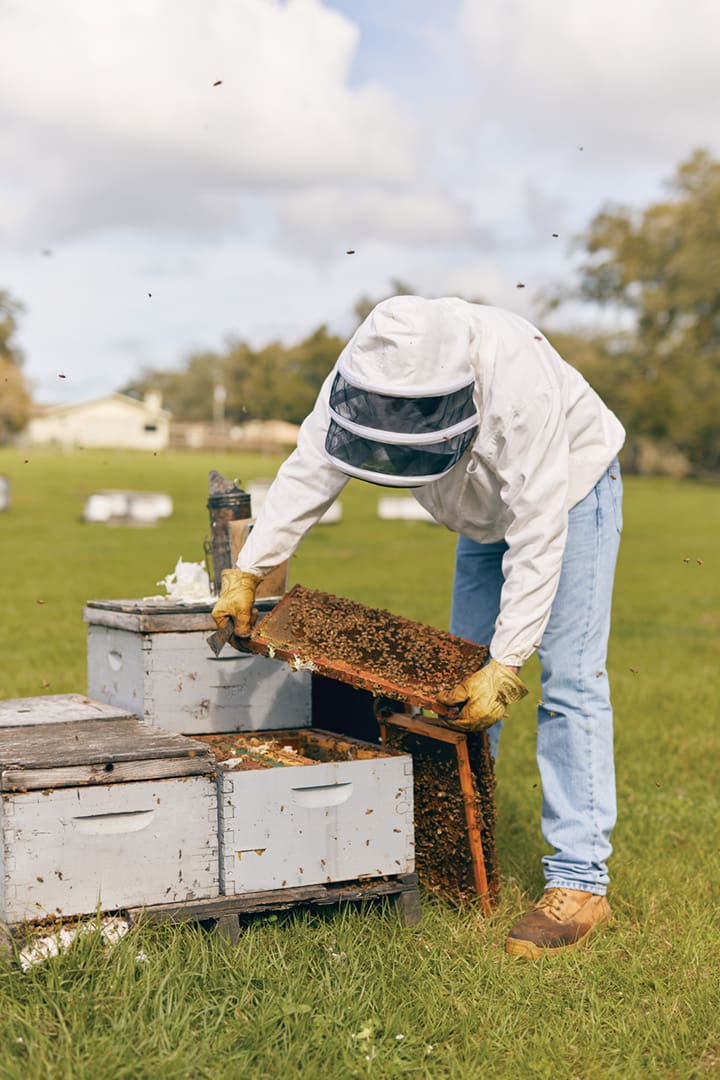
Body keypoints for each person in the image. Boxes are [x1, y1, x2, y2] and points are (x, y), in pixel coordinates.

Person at [212, 296, 625, 959]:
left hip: (568, 494)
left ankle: (580, 882)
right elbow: (312, 466)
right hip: (482, 512)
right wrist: (249, 569)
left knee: (570, 680)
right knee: (453, 688)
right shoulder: (361, 372)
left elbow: (540, 527)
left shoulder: (517, 379)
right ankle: (461, 861)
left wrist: (510, 659)